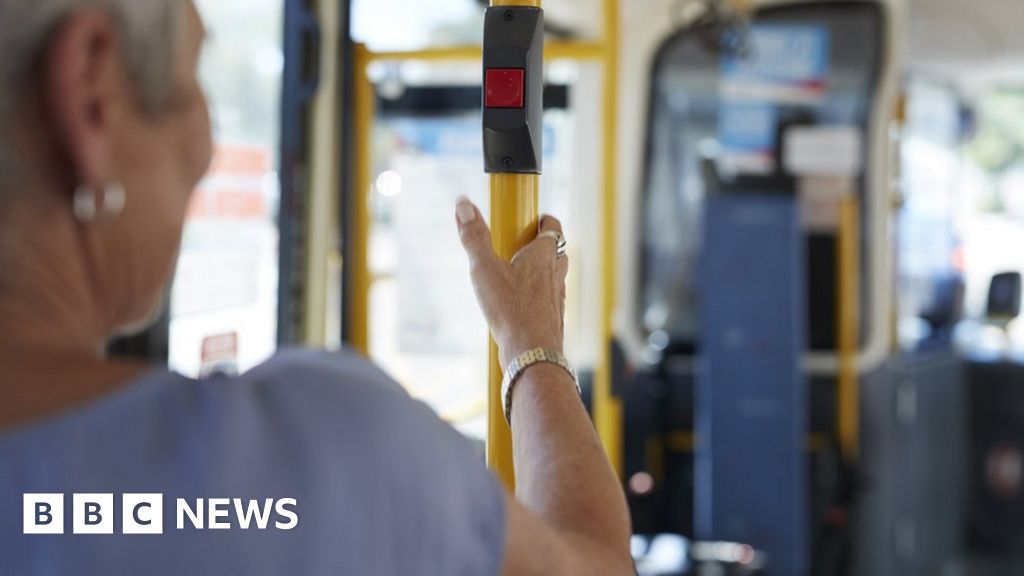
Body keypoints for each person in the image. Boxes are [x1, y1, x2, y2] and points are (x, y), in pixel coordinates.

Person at [0, 0, 633, 574]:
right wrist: (531, 344)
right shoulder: (325, 458)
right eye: (193, 76)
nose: (205, 147)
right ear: (90, 94)